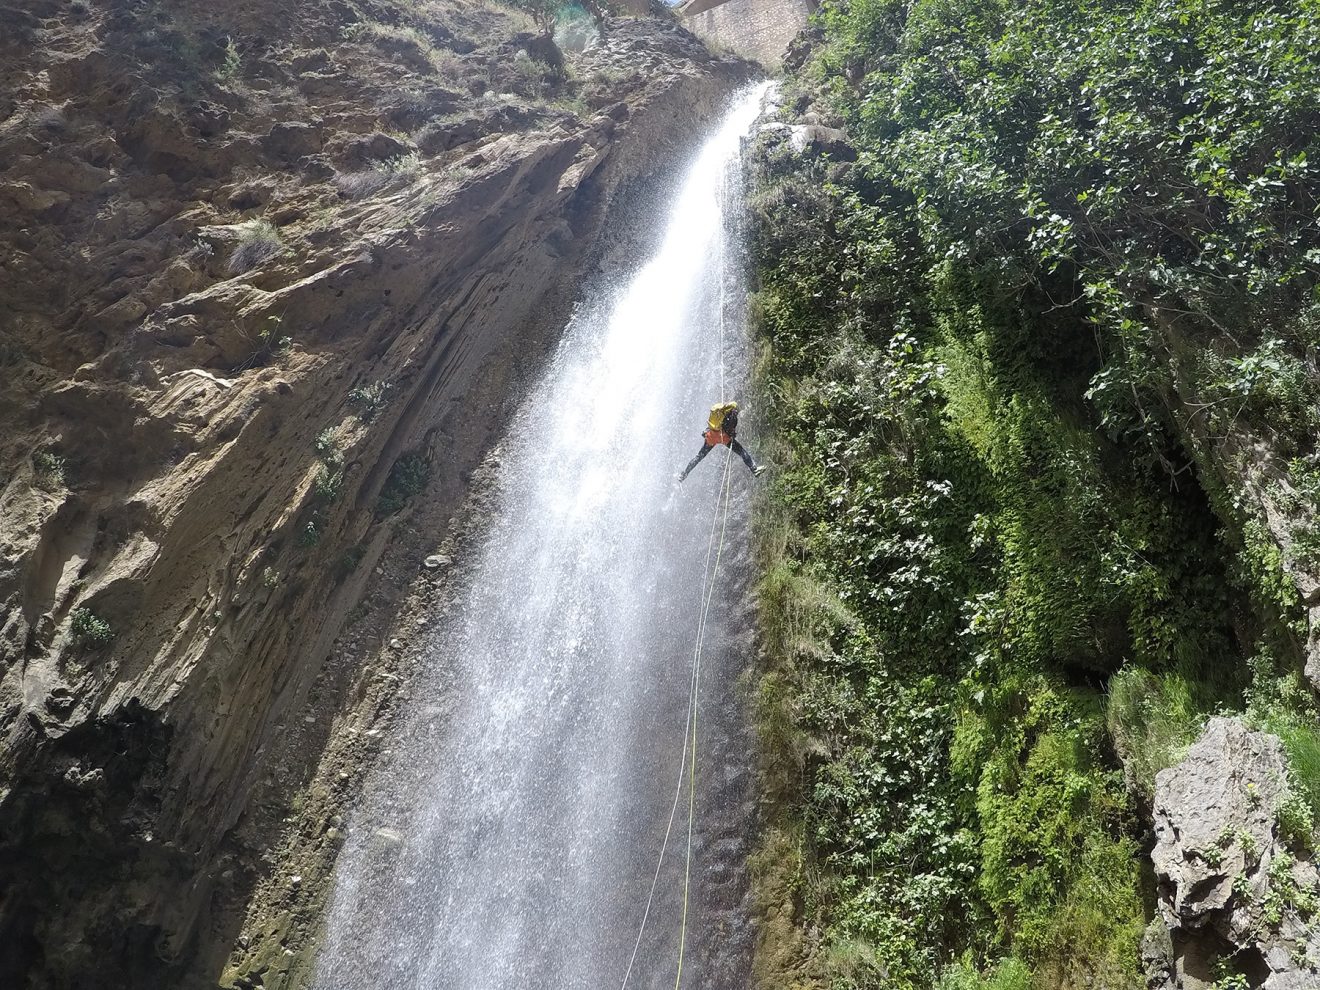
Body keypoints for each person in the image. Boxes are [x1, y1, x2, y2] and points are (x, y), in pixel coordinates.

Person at [677, 401, 767, 482]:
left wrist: (705, 432)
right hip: (724, 438)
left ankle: (684, 474)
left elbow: (714, 425)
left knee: (699, 456)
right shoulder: (733, 417)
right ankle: (754, 469)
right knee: (741, 451)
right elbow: (731, 431)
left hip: (711, 437)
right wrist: (732, 435)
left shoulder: (719, 412)